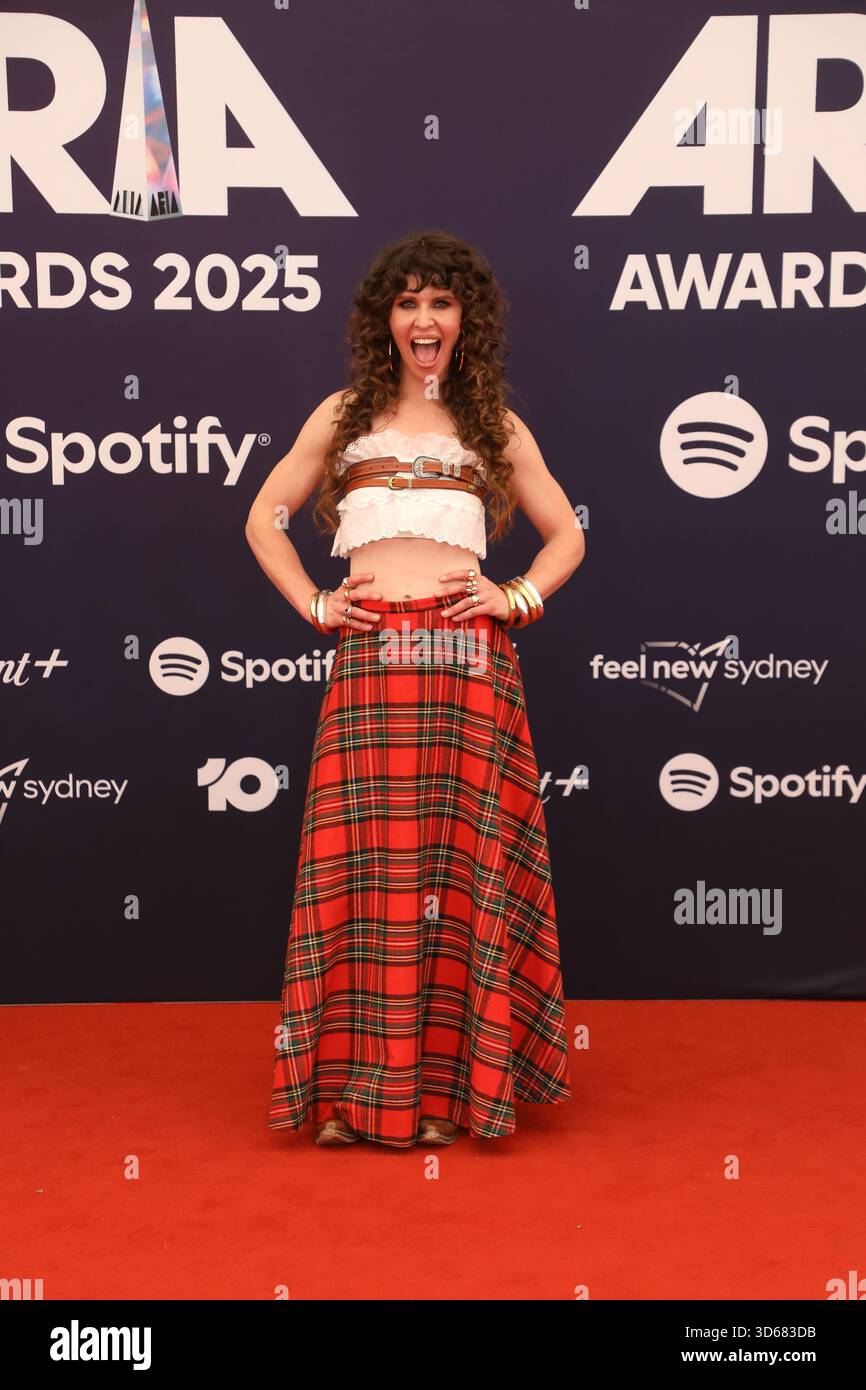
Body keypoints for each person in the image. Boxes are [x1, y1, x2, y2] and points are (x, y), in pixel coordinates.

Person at [245, 230, 585, 1148]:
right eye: (407, 303)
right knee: (365, 872)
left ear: (465, 319)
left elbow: (568, 537)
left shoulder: (494, 426)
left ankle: (449, 1094)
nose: (424, 319)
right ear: (384, 322)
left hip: (469, 667)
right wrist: (317, 603)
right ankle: (357, 1096)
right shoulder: (342, 416)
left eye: (440, 302)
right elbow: (263, 518)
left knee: (455, 871)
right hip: (369, 667)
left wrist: (512, 596)